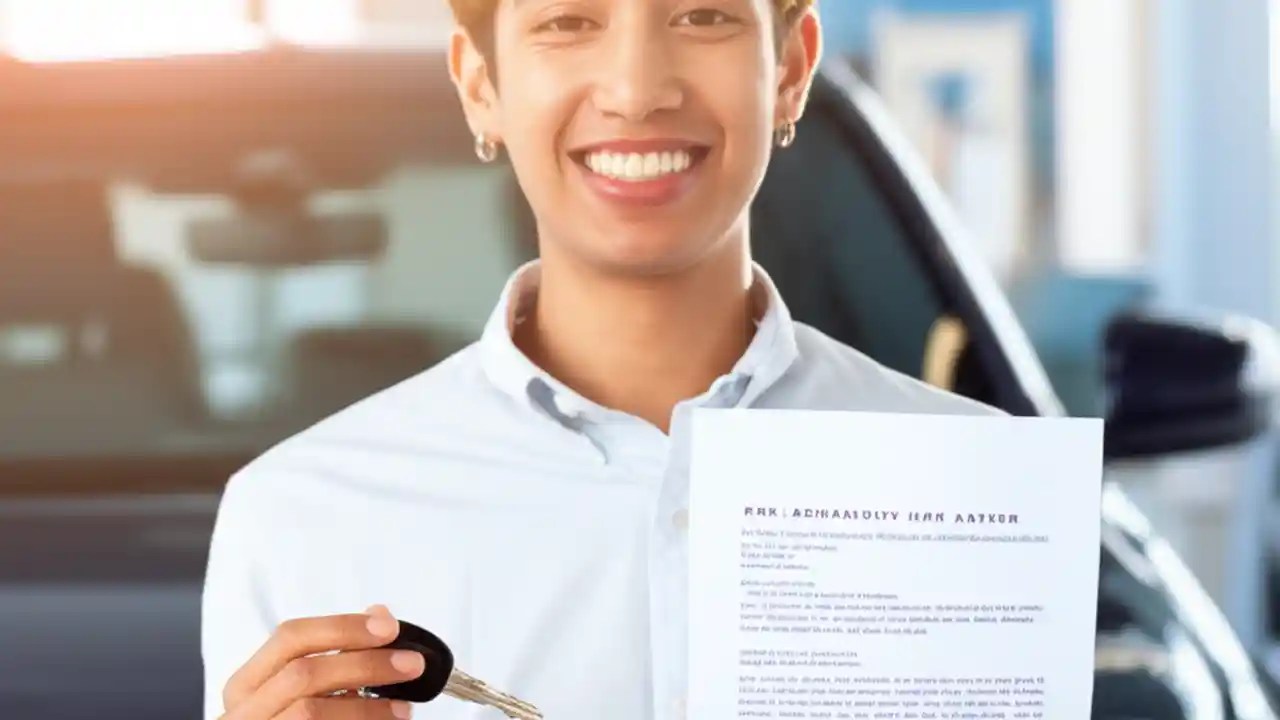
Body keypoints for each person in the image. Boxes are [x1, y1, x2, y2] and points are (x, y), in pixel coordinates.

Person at [202, 1, 997, 718]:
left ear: (788, 68)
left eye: (703, 16)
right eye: (569, 22)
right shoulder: (298, 522)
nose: (636, 89)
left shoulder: (981, 491)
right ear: (482, 84)